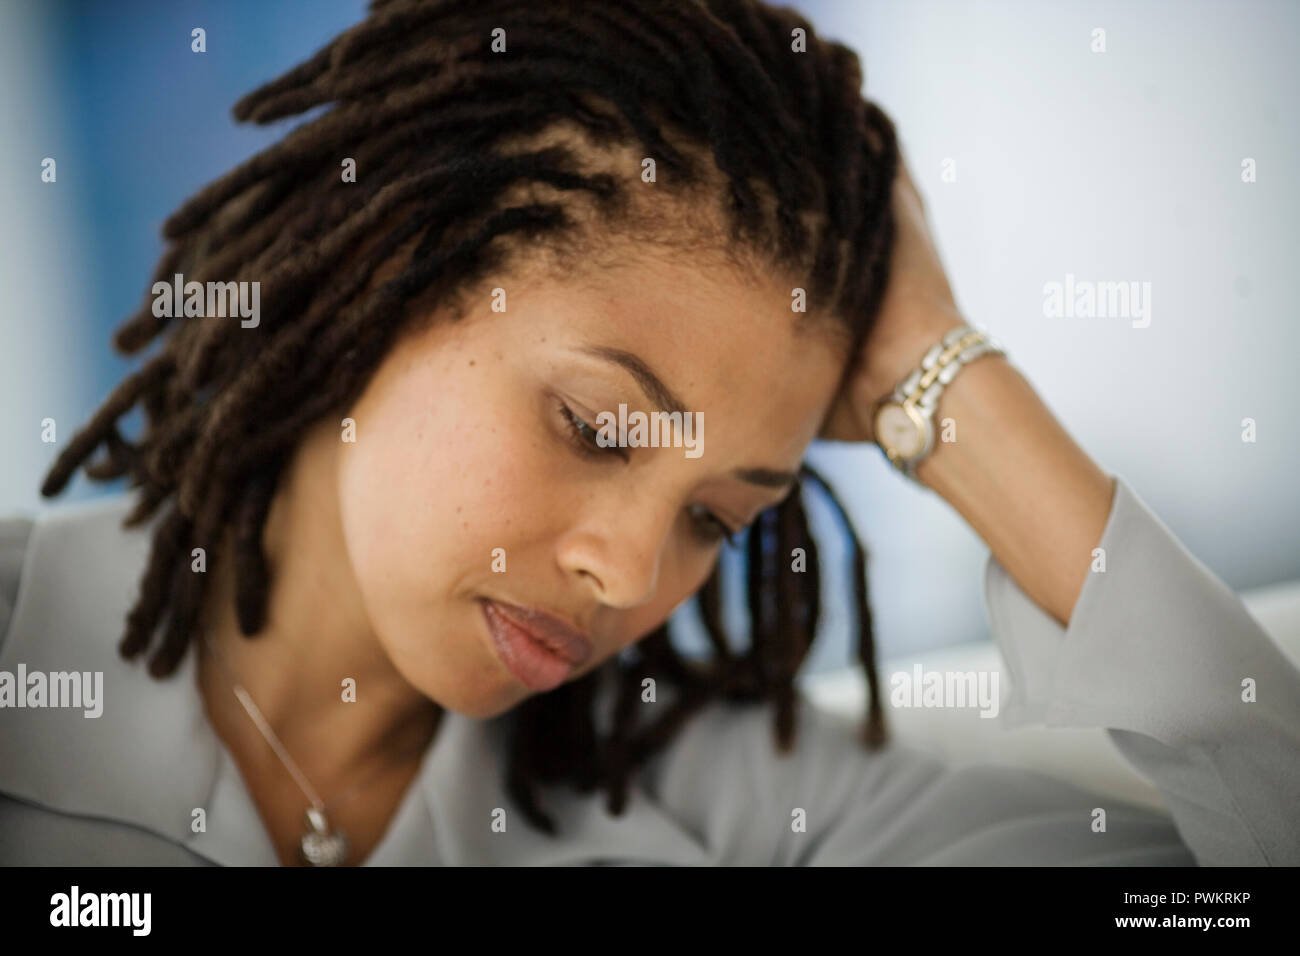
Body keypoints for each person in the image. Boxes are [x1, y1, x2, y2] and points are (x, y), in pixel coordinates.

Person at [1, 0, 1296, 867]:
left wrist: (935, 375)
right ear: (386, 276)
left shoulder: (715, 803)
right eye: (596, 425)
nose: (631, 579)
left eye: (714, 520)